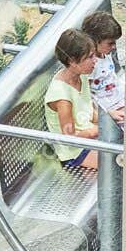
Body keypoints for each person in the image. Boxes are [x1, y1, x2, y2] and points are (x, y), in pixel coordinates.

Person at [43, 28, 102, 170]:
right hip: (75, 152)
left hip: (90, 138)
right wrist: (95, 132)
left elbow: (89, 111)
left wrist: (108, 122)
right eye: (90, 57)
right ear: (73, 62)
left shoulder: (81, 76)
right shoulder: (62, 97)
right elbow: (69, 138)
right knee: (123, 161)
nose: (95, 61)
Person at [81, 10, 126, 118]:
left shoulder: (105, 53)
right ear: (94, 41)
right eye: (110, 43)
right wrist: (108, 113)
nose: (114, 47)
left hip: (119, 94)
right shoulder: (90, 64)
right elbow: (87, 96)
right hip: (110, 105)